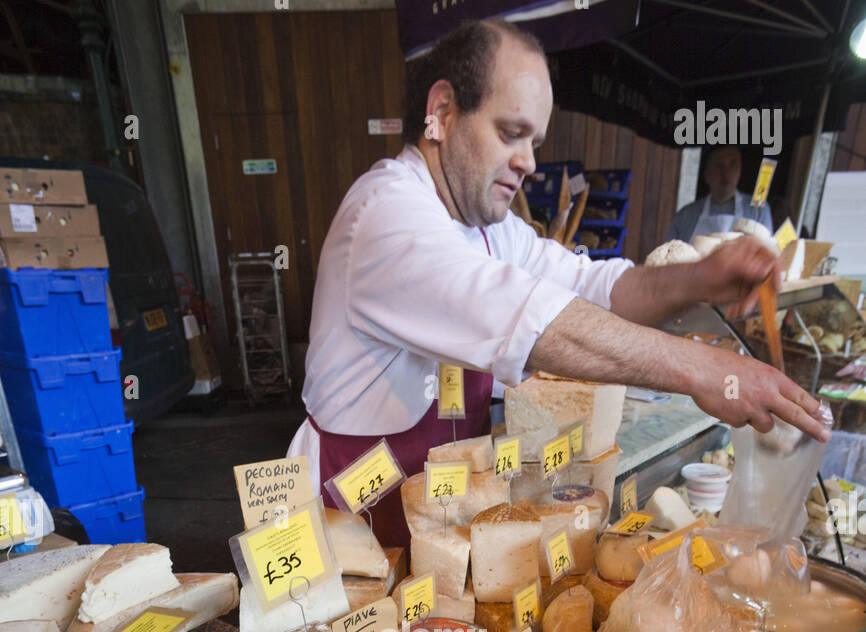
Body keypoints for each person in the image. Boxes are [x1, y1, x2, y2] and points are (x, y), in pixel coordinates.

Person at [288, 20, 827, 546]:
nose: (529, 162)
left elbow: (592, 287)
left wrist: (700, 278)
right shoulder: (386, 216)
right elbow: (541, 323)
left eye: (535, 141)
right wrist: (705, 371)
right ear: (443, 112)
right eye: (510, 133)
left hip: (443, 528)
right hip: (355, 528)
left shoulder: (489, 229)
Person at [666, 145, 774, 244]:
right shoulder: (686, 216)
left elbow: (767, 256)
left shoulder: (758, 211)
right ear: (707, 175)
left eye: (733, 163)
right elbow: (667, 260)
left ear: (740, 169)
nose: (726, 173)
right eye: (718, 165)